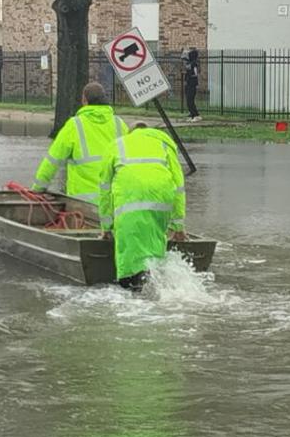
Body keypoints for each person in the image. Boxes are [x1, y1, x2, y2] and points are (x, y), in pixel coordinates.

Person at [98, 123, 187, 290]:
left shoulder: (116, 145)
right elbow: (179, 186)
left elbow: (104, 190)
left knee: (128, 250)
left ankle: (130, 288)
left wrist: (106, 227)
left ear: (130, 133)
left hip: (128, 202)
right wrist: (178, 225)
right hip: (162, 200)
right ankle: (157, 286)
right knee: (155, 241)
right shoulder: (164, 145)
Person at [32, 81, 128, 209]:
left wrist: (37, 189)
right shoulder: (119, 124)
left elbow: (52, 161)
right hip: (115, 200)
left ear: (84, 100)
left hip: (83, 202)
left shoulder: (74, 125)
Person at [182, 47, 200, 120]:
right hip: (189, 83)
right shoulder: (191, 64)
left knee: (190, 100)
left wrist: (189, 73)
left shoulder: (194, 64)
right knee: (188, 100)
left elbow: (194, 74)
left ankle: (195, 115)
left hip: (192, 84)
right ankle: (192, 113)